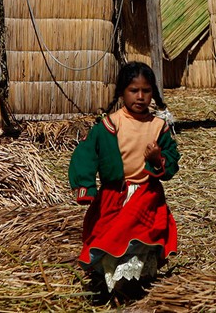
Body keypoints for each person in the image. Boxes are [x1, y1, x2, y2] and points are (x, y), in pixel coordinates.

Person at [68, 61, 180, 295]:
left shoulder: (158, 127)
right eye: (133, 90)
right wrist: (85, 187)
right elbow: (86, 154)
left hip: (147, 196)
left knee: (140, 237)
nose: (140, 97)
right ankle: (111, 282)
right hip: (114, 195)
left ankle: (133, 284)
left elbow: (172, 158)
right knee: (110, 238)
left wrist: (158, 158)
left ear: (153, 93)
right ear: (121, 92)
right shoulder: (110, 124)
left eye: (146, 91)